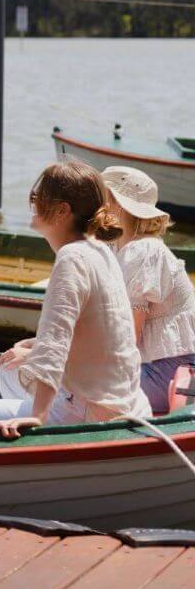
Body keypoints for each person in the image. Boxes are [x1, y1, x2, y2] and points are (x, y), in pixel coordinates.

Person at [0, 160, 150, 440]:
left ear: (62, 211)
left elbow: (56, 341)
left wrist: (37, 417)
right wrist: (34, 346)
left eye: (37, 202)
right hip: (126, 402)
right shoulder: (101, 251)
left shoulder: (71, 258)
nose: (32, 211)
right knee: (9, 370)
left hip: (89, 411)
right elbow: (96, 331)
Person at [101, 166, 195, 414]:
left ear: (117, 204)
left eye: (99, 196)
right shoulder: (118, 247)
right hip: (156, 366)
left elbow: (126, 339)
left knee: (59, 384)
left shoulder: (141, 250)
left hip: (169, 371)